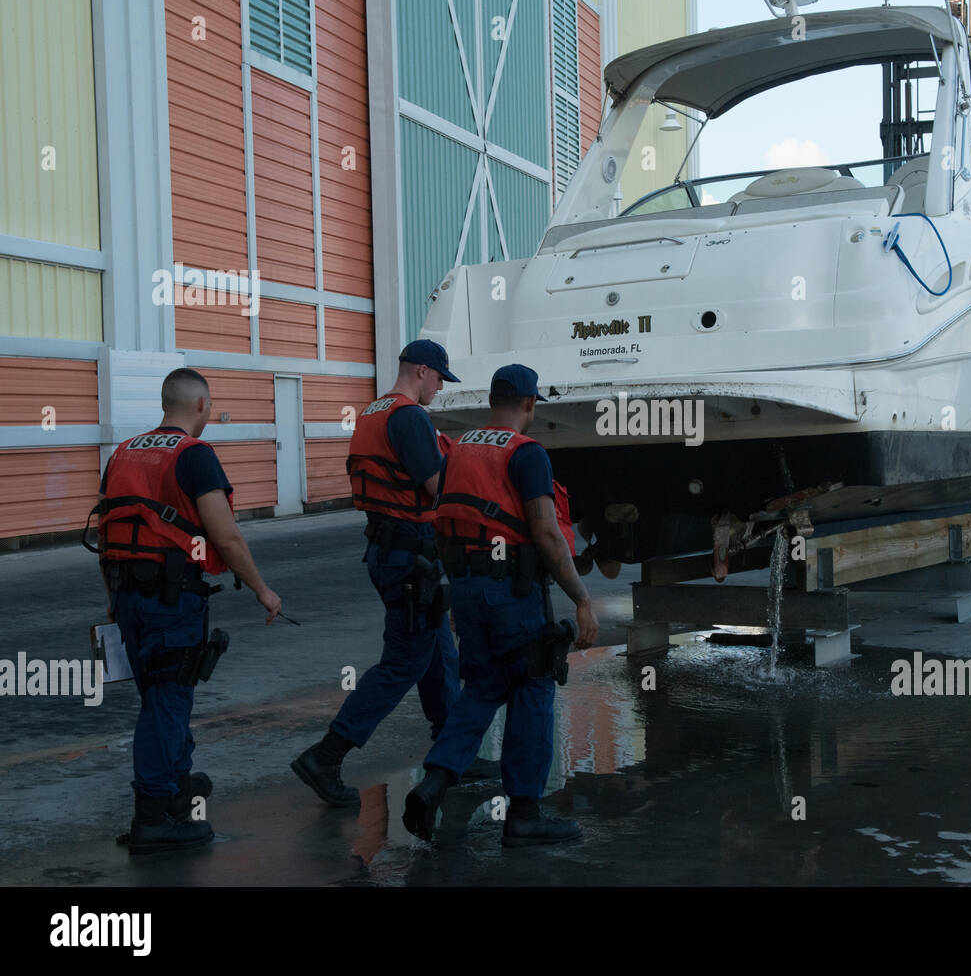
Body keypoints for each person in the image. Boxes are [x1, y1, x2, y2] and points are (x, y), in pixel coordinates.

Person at [402, 364, 598, 847]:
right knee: (533, 686)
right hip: (511, 593)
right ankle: (525, 815)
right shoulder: (527, 454)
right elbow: (548, 535)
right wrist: (582, 600)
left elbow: (449, 522)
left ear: (493, 401)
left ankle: (434, 783)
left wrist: (462, 594)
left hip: (468, 590)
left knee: (483, 688)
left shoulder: (459, 448)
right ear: (530, 404)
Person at [91, 368, 282, 855]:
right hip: (171, 600)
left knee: (163, 697)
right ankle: (152, 818)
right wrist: (262, 590)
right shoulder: (195, 456)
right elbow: (226, 534)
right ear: (200, 406)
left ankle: (177, 787)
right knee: (167, 702)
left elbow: (110, 533)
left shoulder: (123, 453)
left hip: (129, 596)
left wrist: (114, 600)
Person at [292, 340, 461, 807]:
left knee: (439, 655)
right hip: (410, 557)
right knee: (404, 661)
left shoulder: (372, 412)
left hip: (394, 551)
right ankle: (326, 755)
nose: (440, 389)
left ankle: (452, 758)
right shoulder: (409, 416)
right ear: (423, 372)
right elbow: (436, 487)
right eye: (440, 379)